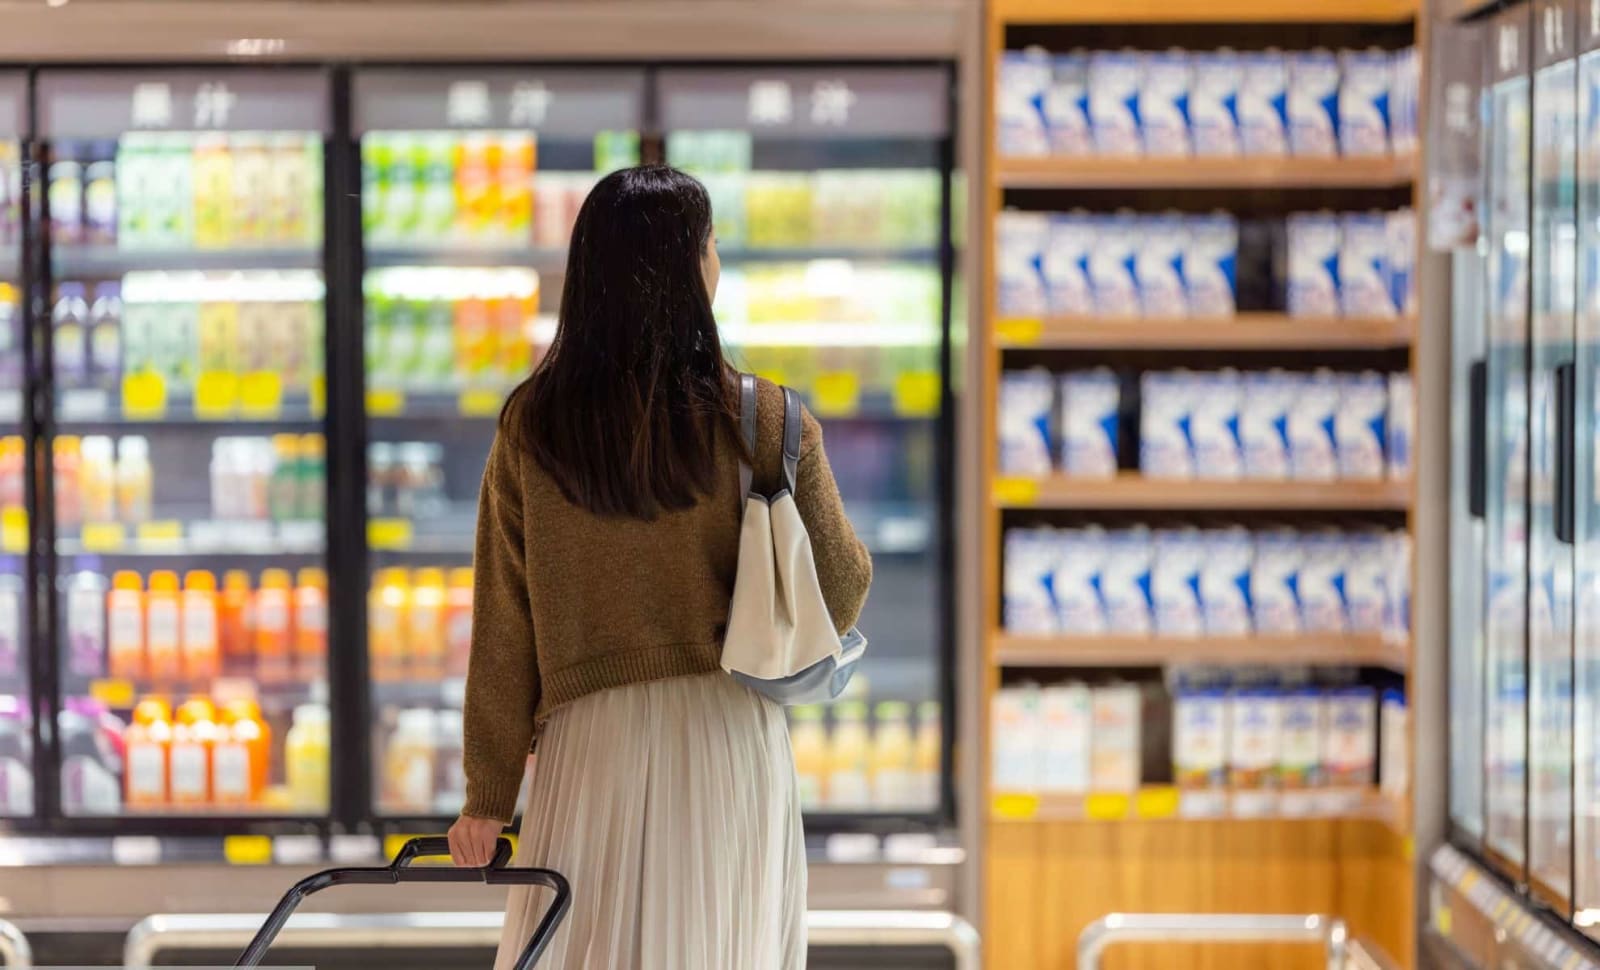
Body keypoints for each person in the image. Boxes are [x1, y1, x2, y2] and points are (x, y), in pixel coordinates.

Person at [447, 164, 872, 970]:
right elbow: (841, 589)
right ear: (691, 268)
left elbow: (505, 623)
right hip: (728, 735)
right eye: (711, 247)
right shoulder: (764, 417)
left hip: (589, 745)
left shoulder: (534, 426)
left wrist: (488, 796)